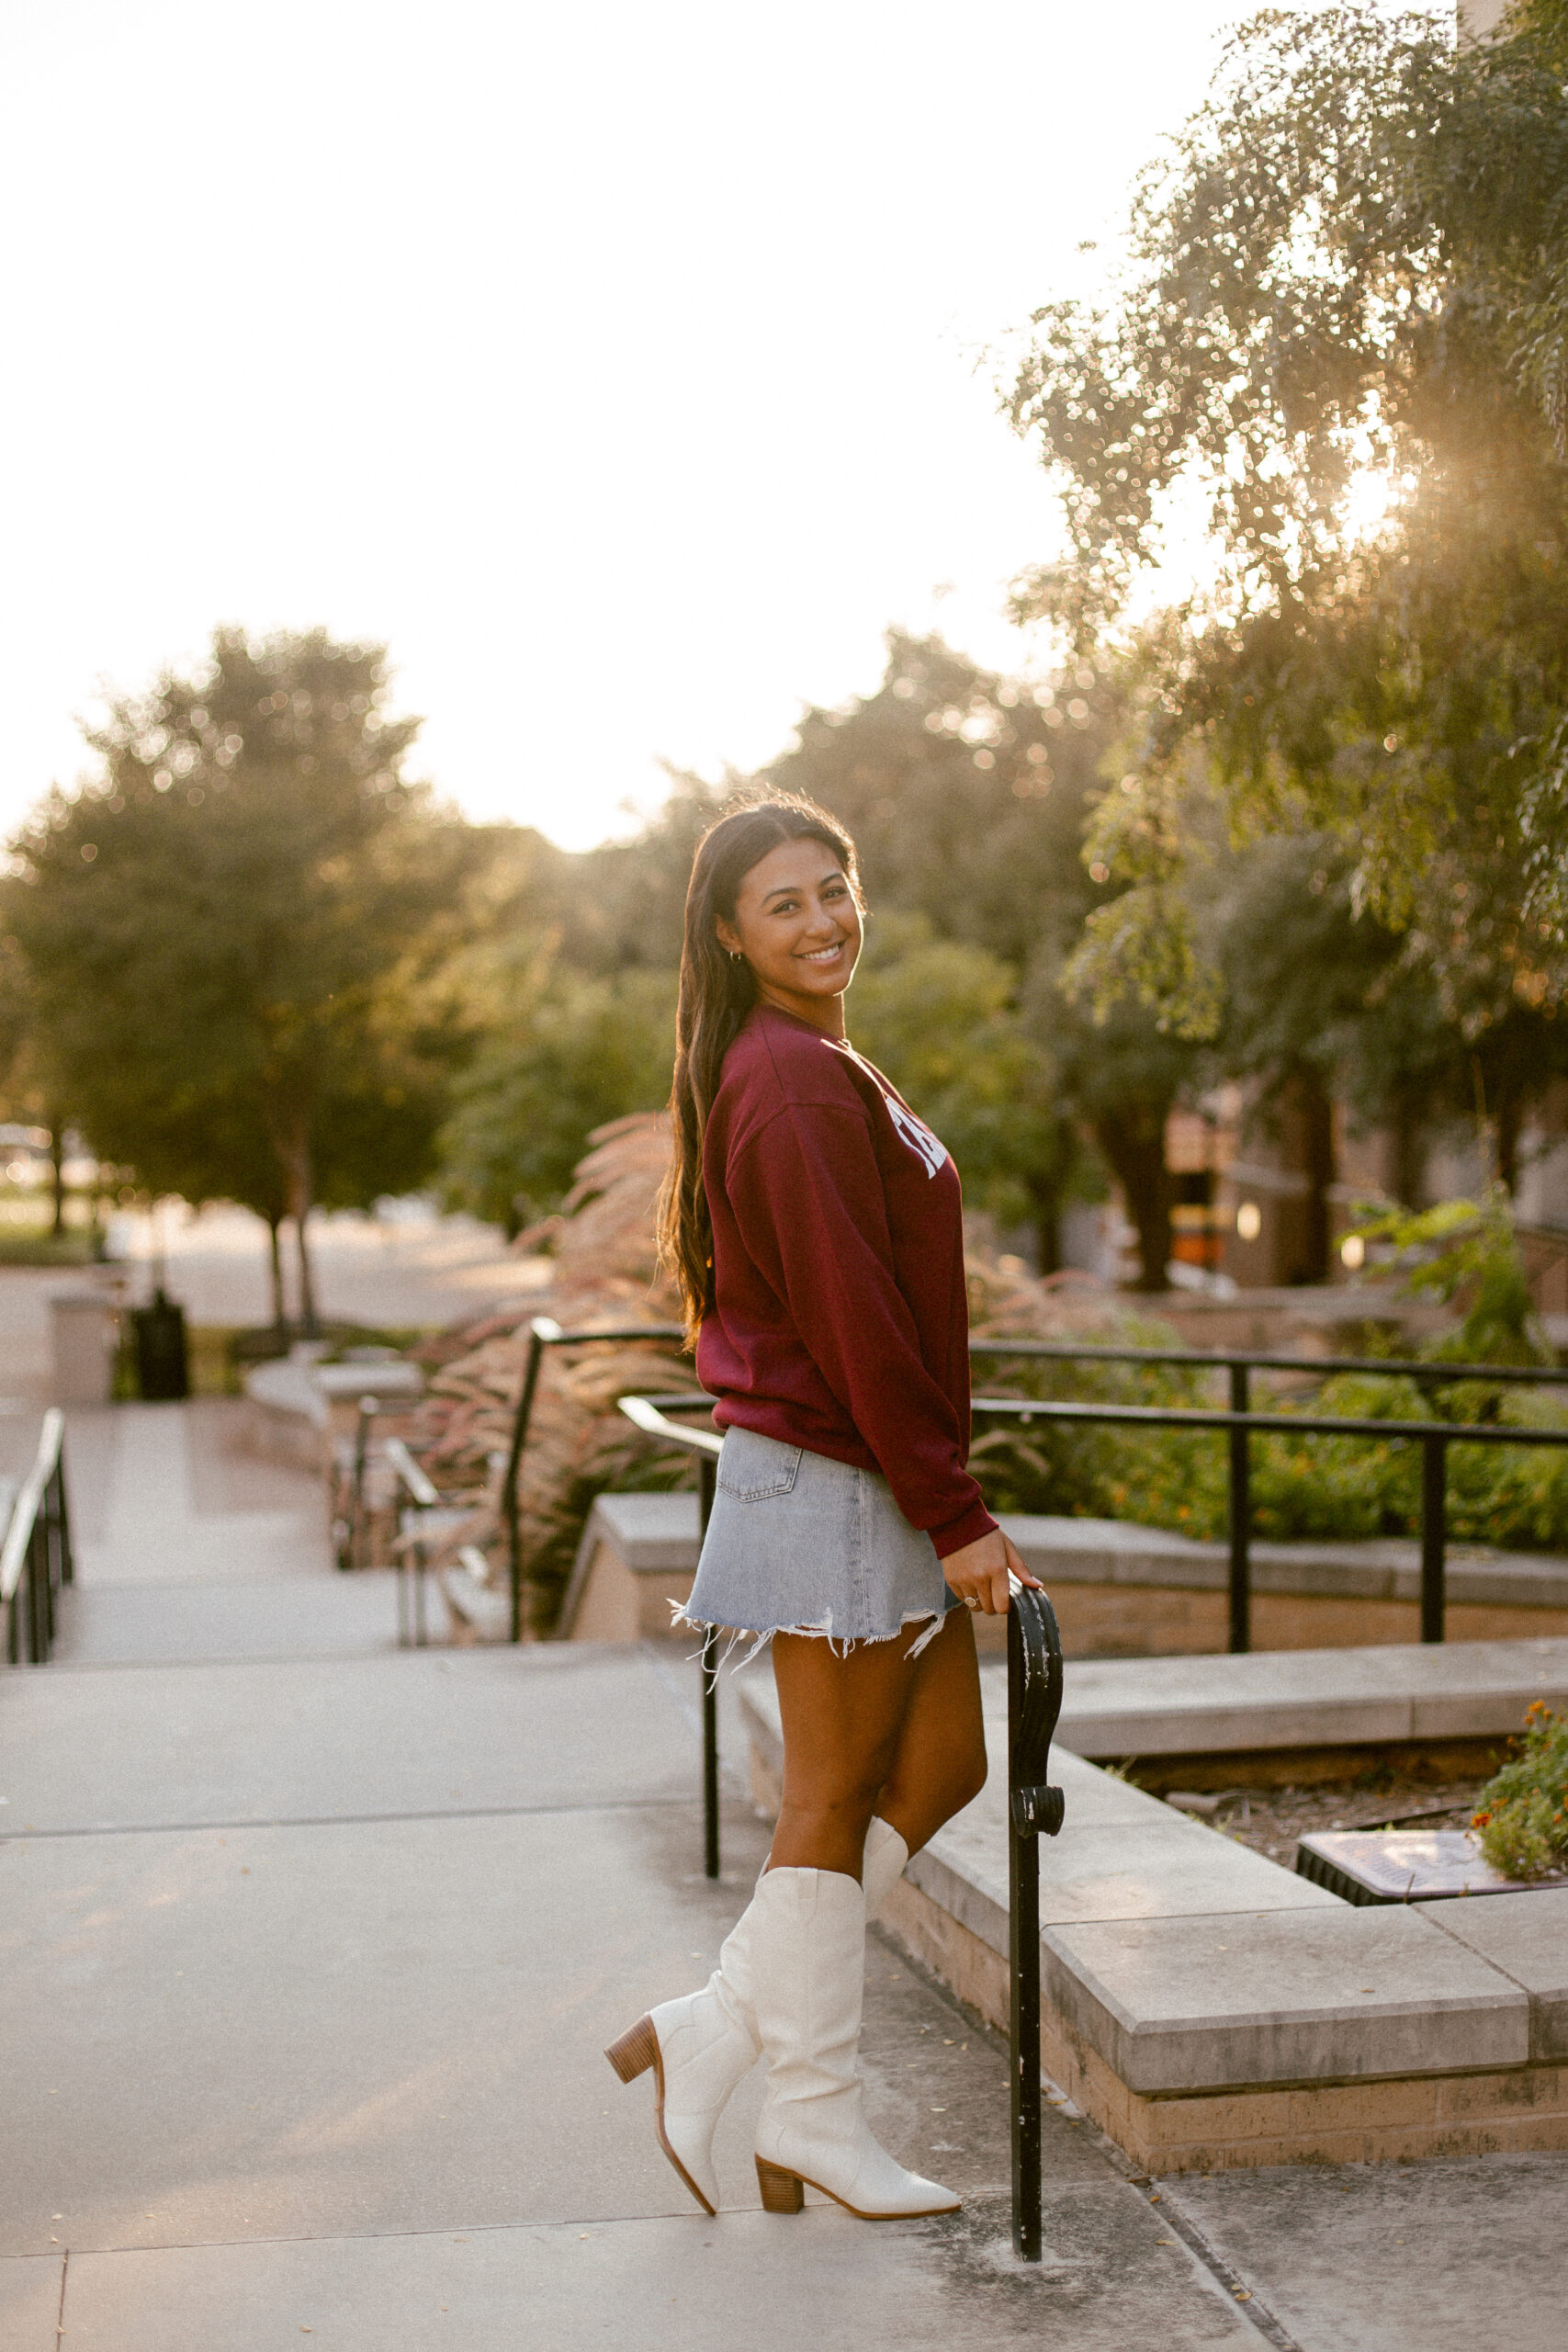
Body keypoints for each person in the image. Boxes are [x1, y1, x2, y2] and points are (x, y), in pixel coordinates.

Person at [606, 794, 1037, 2222]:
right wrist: (955, 1508)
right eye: (783, 902)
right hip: (835, 1478)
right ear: (730, 933)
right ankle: (815, 2116)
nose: (821, 918)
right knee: (831, 1796)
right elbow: (855, 1319)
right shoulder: (785, 1076)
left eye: (833, 886)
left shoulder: (816, 1061)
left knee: (946, 1768)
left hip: (854, 1480)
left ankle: (722, 2026)